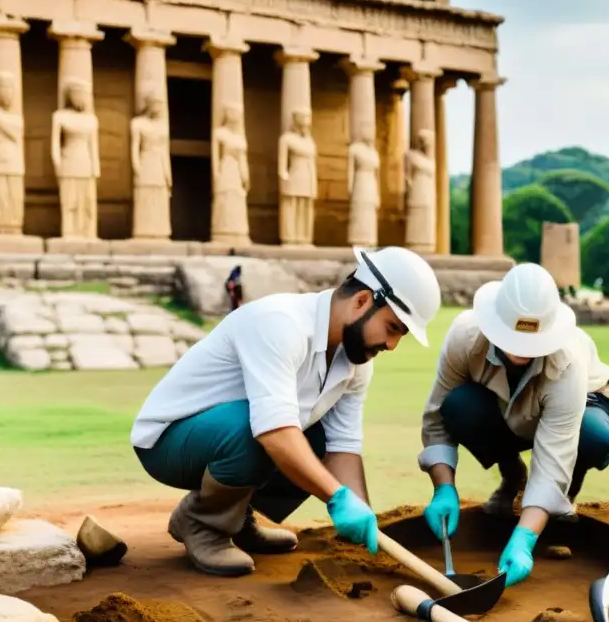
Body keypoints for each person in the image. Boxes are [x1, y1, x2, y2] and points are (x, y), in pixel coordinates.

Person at [130, 247, 442, 577]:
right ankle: (204, 522)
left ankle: (236, 516)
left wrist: (362, 515)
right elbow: (275, 432)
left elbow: (342, 447)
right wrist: (337, 499)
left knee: (315, 437)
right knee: (265, 429)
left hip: (233, 438)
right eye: (392, 328)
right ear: (363, 301)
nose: (392, 345)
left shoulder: (355, 363)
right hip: (170, 443)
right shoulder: (281, 323)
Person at [419, 263, 609, 587]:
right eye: (511, 337)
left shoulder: (567, 361)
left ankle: (565, 498)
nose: (520, 348)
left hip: (592, 402)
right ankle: (513, 477)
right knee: (460, 406)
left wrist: (524, 539)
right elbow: (436, 418)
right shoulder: (465, 335)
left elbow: (555, 454)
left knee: (592, 436)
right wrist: (443, 487)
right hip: (511, 409)